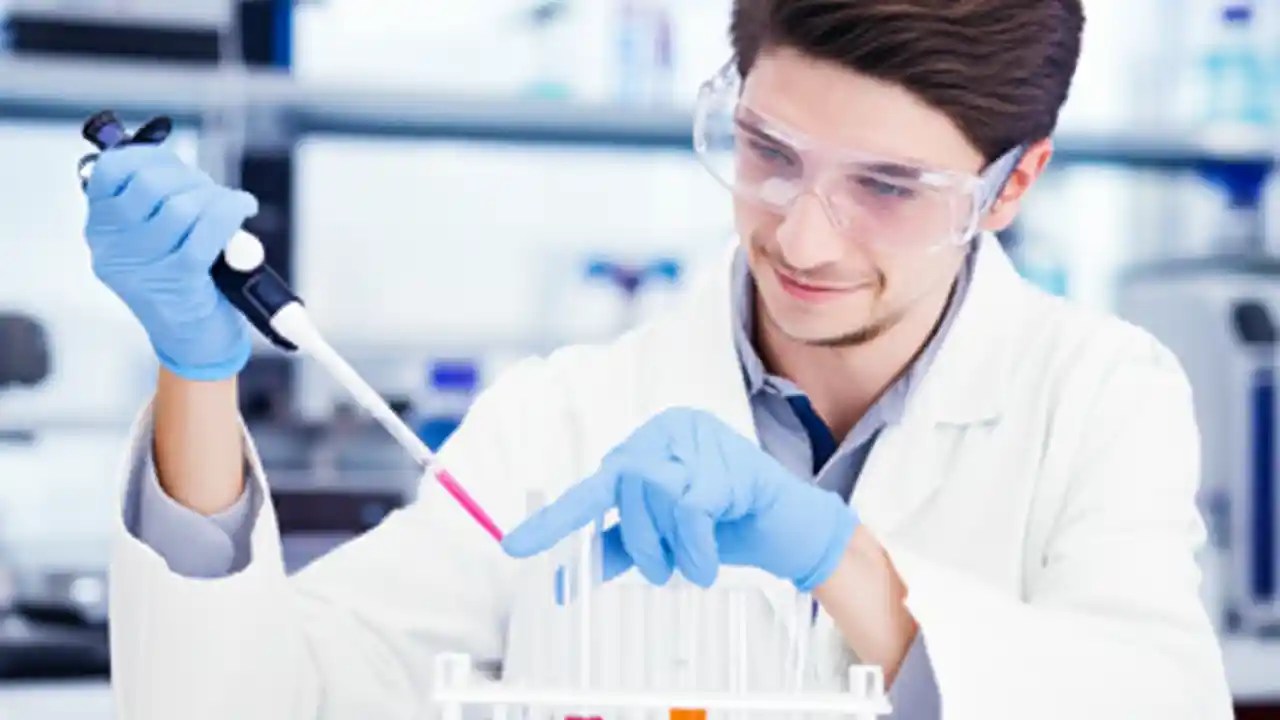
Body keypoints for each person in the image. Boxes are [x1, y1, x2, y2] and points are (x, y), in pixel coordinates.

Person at [84, 1, 1232, 718]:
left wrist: (839, 560)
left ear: (1011, 183)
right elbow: (251, 703)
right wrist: (197, 374)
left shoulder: (1098, 400)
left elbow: (1155, 703)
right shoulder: (561, 420)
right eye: (768, 152)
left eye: (885, 187)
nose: (802, 237)